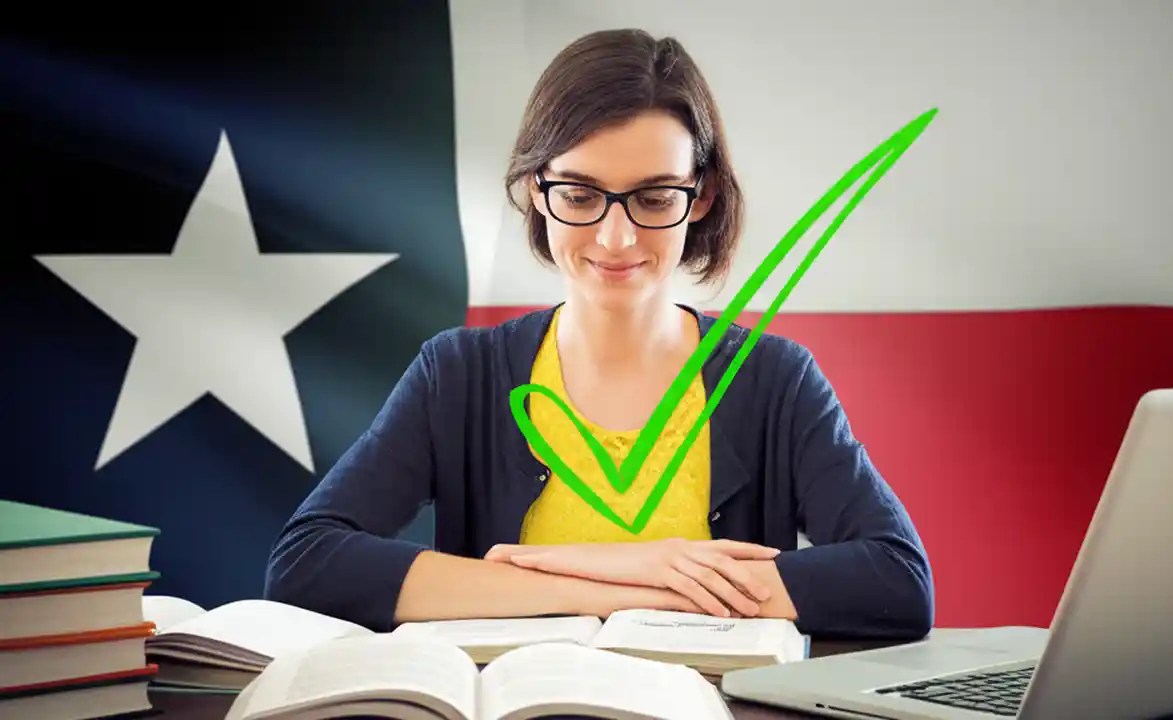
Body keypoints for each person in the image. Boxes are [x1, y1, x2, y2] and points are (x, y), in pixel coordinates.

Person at [264, 28, 933, 640]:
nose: (616, 238)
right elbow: (306, 564)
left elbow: (897, 582)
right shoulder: (458, 374)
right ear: (536, 189)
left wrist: (583, 575)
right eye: (580, 196)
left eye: (654, 197)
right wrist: (625, 575)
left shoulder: (776, 380)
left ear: (700, 197)